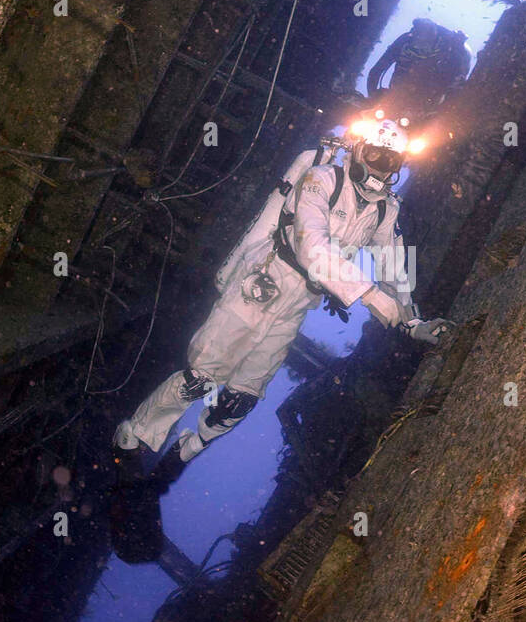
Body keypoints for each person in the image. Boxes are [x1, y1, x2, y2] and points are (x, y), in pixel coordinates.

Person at [112, 119, 452, 483]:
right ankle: (131, 438)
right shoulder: (321, 179)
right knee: (201, 378)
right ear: (357, 150)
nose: (379, 168)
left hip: (298, 303)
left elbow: (396, 270)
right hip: (262, 280)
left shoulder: (386, 209)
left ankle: (187, 451)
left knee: (240, 398)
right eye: (373, 156)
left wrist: (412, 322)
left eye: (390, 162)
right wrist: (369, 297)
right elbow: (313, 248)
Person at [365, 18, 472, 122]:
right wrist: (373, 98)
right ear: (412, 36)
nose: (420, 48)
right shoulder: (404, 42)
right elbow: (377, 70)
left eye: (425, 43)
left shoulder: (451, 51)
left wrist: (439, 114)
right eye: (417, 42)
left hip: (430, 95)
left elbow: (455, 86)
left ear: (434, 39)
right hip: (399, 87)